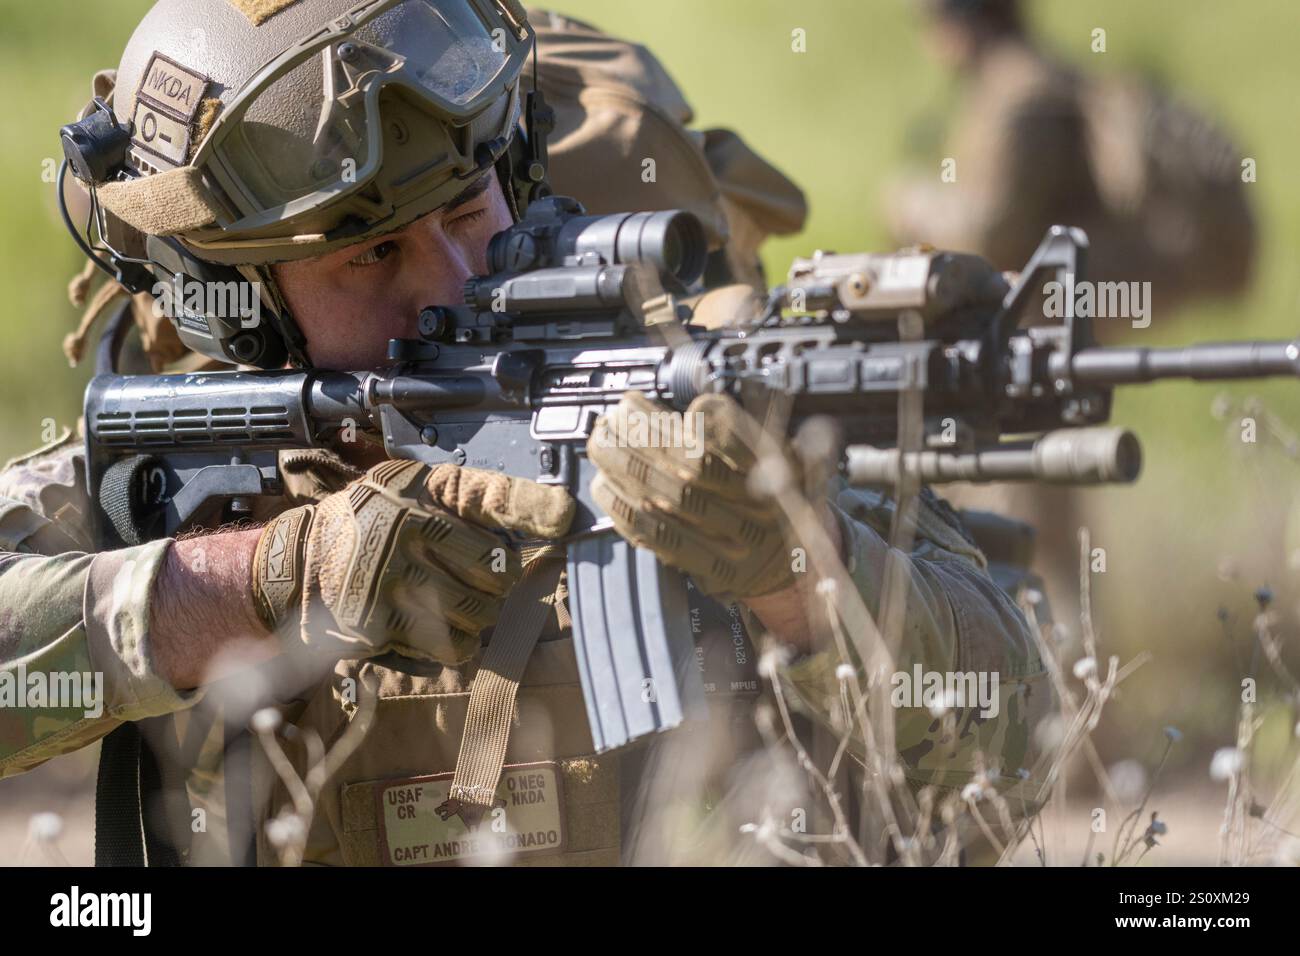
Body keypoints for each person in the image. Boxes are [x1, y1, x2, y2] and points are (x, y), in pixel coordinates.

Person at [0, 0, 1052, 866]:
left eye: (468, 213)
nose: (453, 284)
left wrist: (795, 576)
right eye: (369, 258)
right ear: (237, 304)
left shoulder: (687, 405)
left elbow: (1017, 754)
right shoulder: (184, 466)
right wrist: (263, 579)